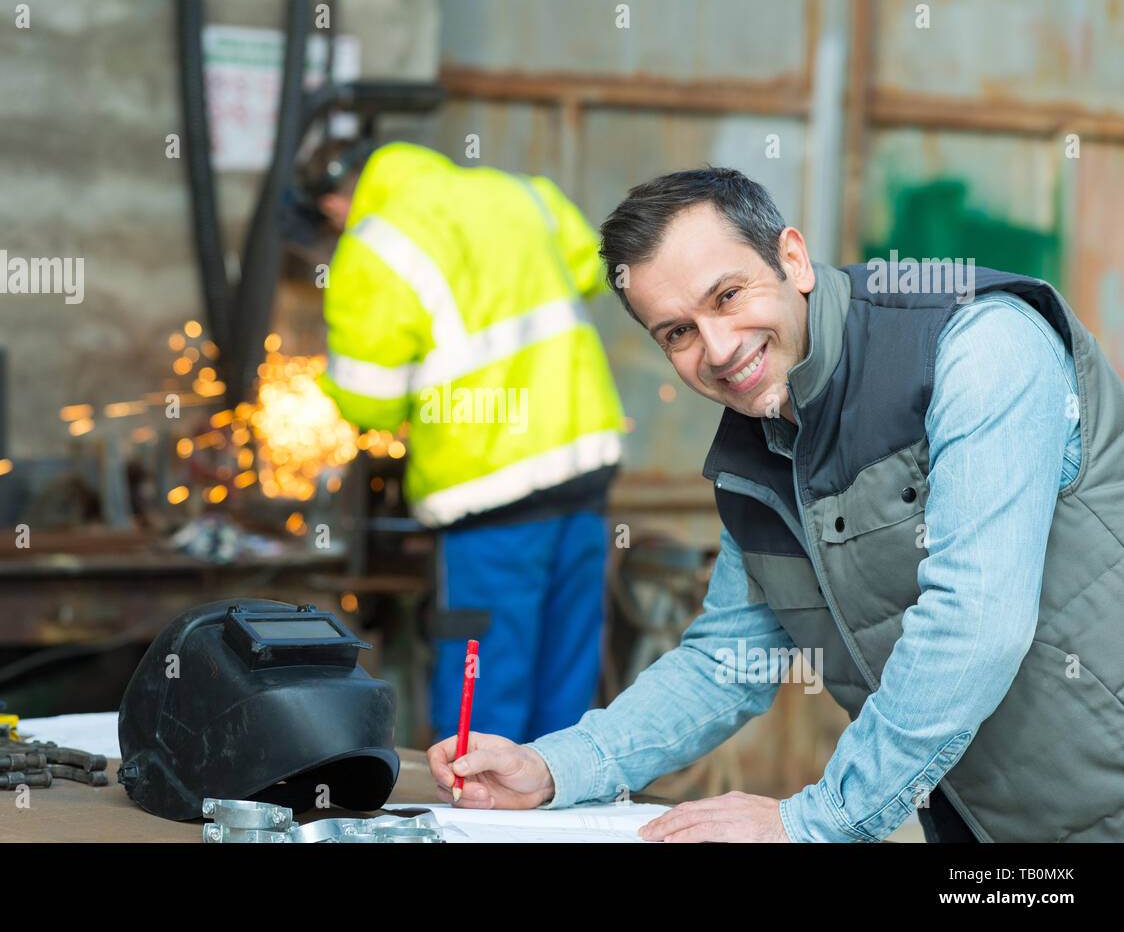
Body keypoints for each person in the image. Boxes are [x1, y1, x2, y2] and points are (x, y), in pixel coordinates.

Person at [427, 166, 1124, 843]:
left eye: (727, 296)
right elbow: (726, 661)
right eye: (678, 332)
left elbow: (977, 624)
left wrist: (813, 821)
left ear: (792, 258)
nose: (719, 348)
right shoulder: (759, 453)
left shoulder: (977, 347)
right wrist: (555, 766)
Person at [306, 140, 626, 743]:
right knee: (566, 673)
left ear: (333, 201)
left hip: (488, 489)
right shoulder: (519, 192)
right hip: (583, 466)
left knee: (485, 701)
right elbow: (591, 269)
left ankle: (478, 823)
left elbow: (368, 400)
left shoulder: (374, 242)